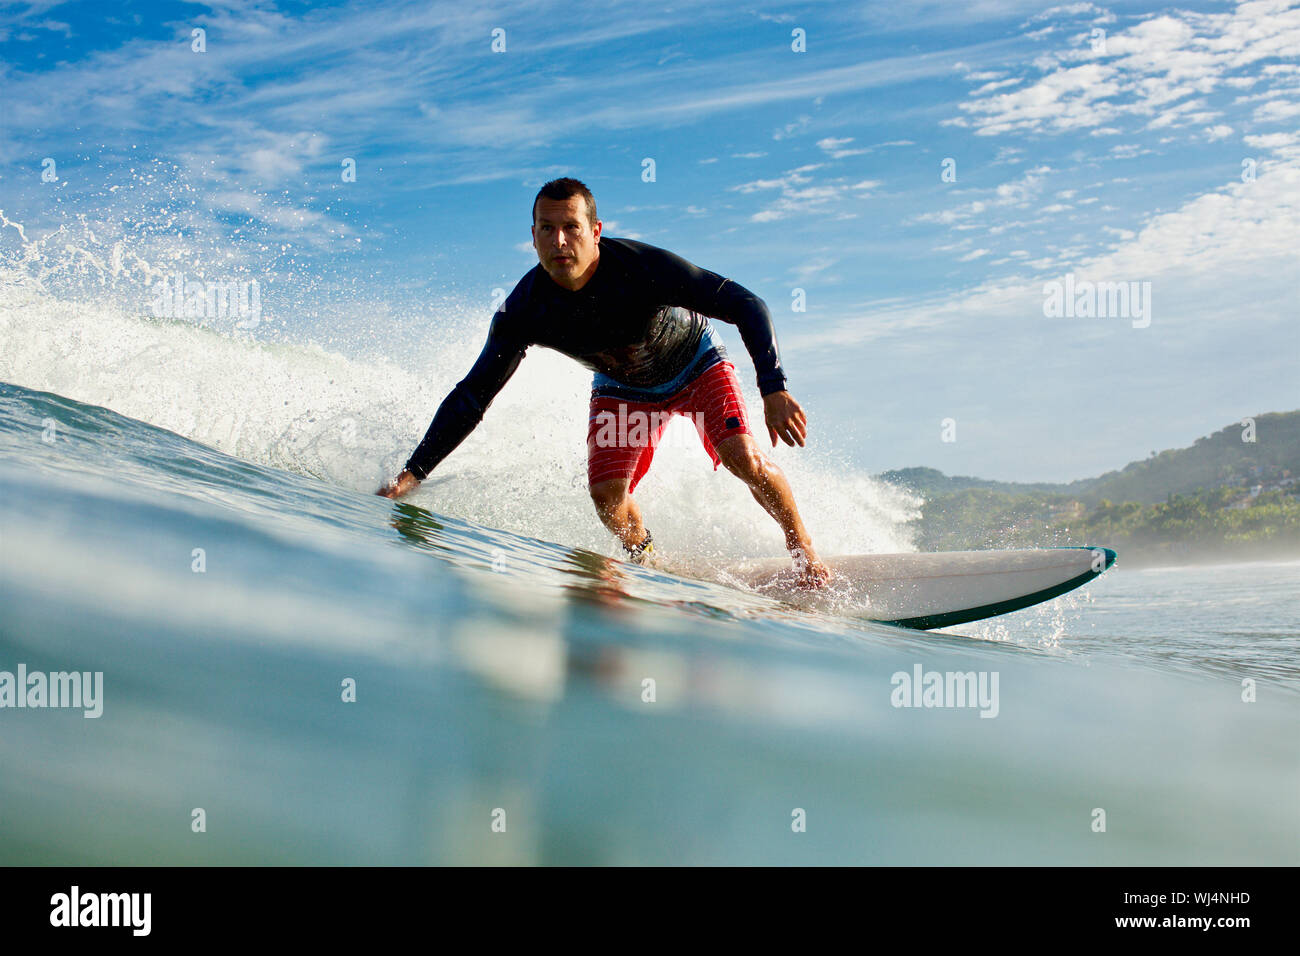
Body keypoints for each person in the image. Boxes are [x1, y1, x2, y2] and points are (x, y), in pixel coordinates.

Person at [378, 177, 830, 589]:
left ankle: (804, 552)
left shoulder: (640, 267)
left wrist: (774, 387)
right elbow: (473, 394)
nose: (559, 241)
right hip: (623, 388)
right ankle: (647, 559)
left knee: (742, 457)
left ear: (595, 231)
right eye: (546, 228)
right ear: (532, 236)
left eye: (571, 227)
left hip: (695, 362)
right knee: (607, 499)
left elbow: (746, 303)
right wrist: (413, 473)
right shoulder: (524, 310)